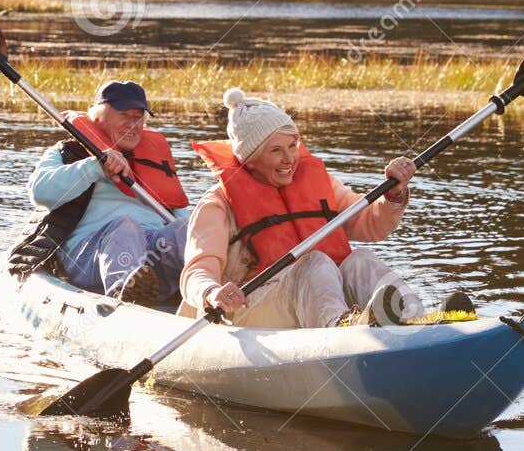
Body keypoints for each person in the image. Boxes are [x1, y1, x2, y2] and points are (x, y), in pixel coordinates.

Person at [180, 87, 443, 327]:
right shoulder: (216, 205)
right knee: (315, 262)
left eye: (293, 145)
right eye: (276, 151)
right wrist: (211, 292)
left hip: (311, 299)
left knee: (360, 260)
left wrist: (393, 197)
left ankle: (414, 319)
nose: (289, 159)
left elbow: (369, 224)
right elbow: (196, 273)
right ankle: (338, 328)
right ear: (250, 160)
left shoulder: (319, 184)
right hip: (248, 311)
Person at [25, 80, 191, 305]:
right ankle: (126, 298)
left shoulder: (155, 162)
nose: (132, 124)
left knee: (186, 230)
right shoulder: (69, 152)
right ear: (98, 116)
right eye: (124, 115)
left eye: (138, 116)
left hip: (152, 256)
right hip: (90, 255)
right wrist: (94, 167)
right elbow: (40, 192)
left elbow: (183, 218)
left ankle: (213, 294)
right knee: (126, 227)